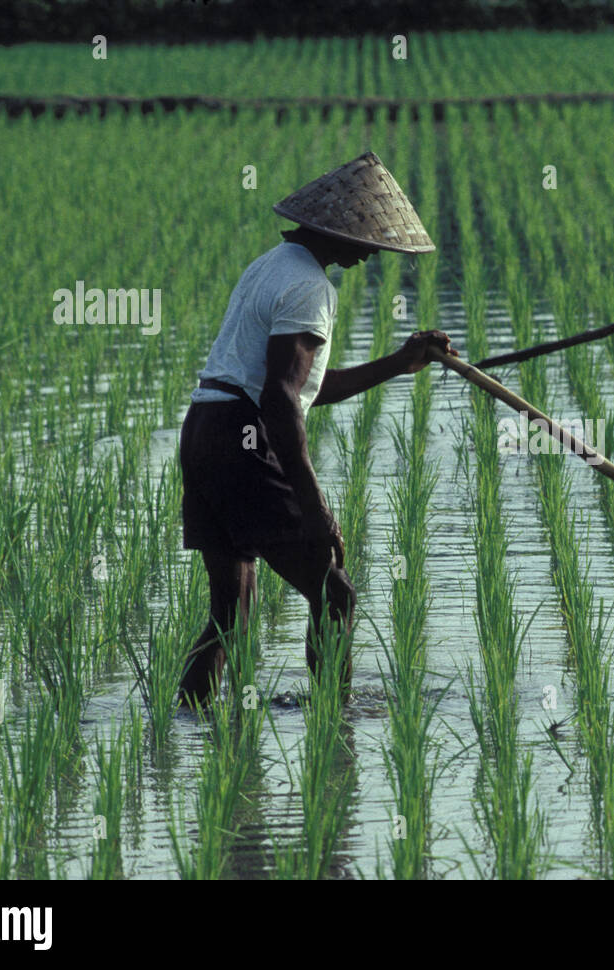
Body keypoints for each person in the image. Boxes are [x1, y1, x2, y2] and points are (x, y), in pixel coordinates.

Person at [178, 151, 456, 706]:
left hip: (206, 429)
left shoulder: (272, 265)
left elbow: (302, 388)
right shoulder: (309, 287)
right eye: (370, 242)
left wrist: (402, 362)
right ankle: (335, 727)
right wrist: (314, 507)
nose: (373, 254)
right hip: (242, 437)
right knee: (336, 595)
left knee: (230, 617)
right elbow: (281, 401)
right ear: (342, 233)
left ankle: (180, 725)